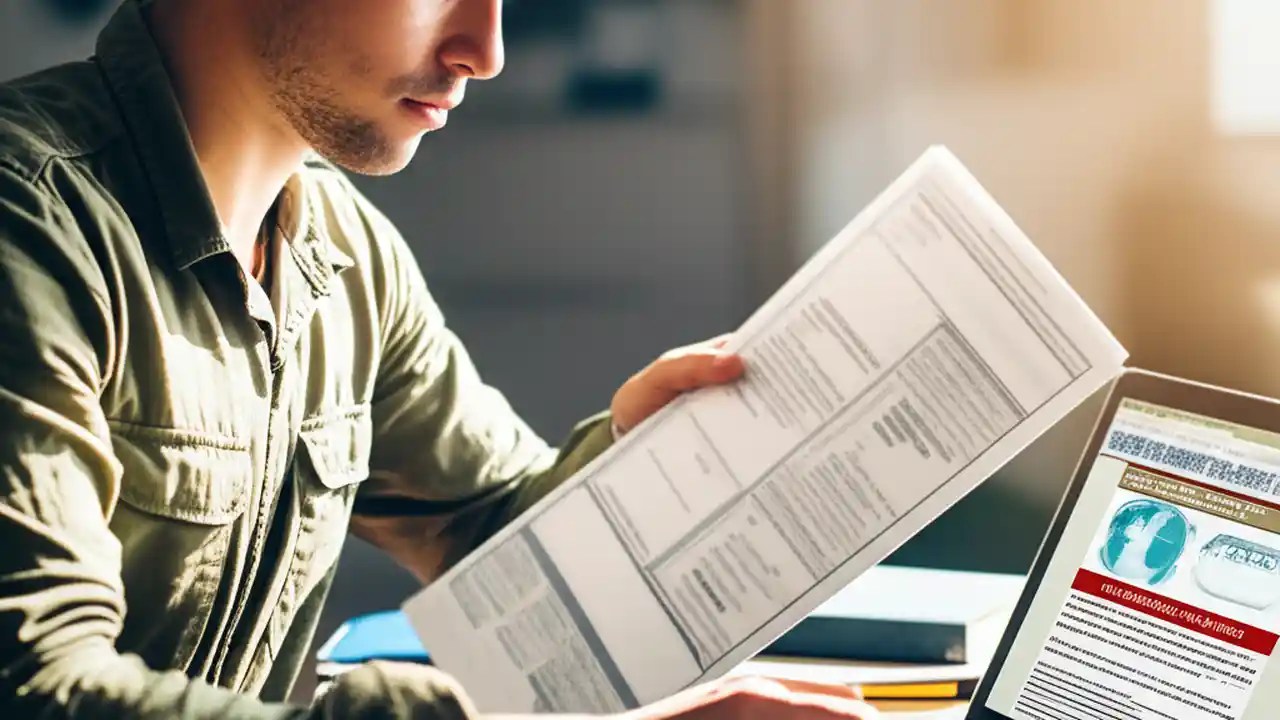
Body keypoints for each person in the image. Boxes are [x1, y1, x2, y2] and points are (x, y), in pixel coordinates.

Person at [0, 1, 879, 718]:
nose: (485, 50)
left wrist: (633, 452)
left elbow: (493, 527)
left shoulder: (348, 255)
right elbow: (38, 689)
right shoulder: (29, 225)